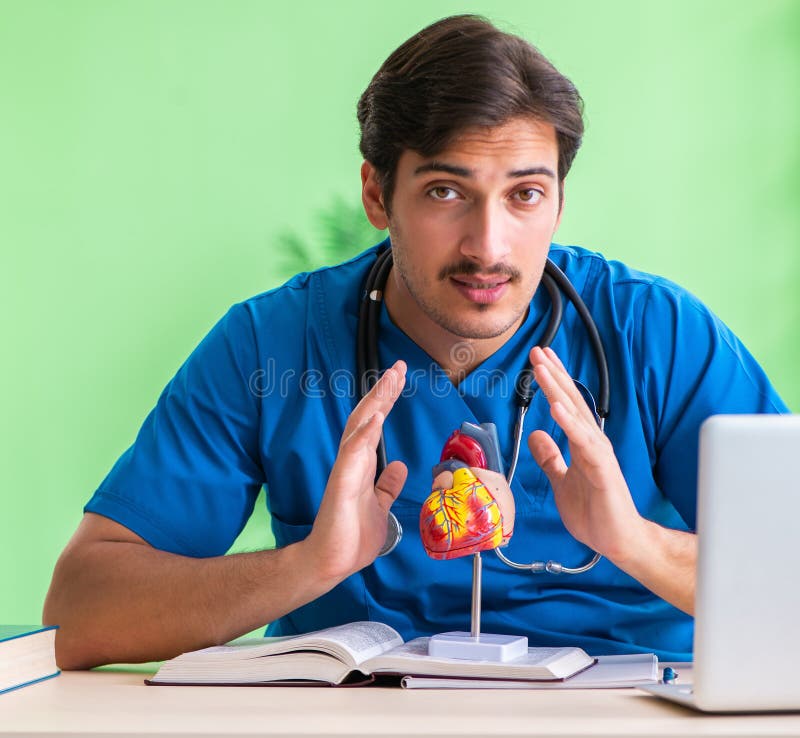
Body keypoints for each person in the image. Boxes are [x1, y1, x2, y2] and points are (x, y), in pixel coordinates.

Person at [43, 14, 786, 669]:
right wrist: (309, 566)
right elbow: (80, 612)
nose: (488, 245)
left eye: (525, 194)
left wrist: (632, 540)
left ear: (559, 200)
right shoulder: (271, 346)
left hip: (620, 714)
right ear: (377, 194)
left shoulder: (656, 333)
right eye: (445, 192)